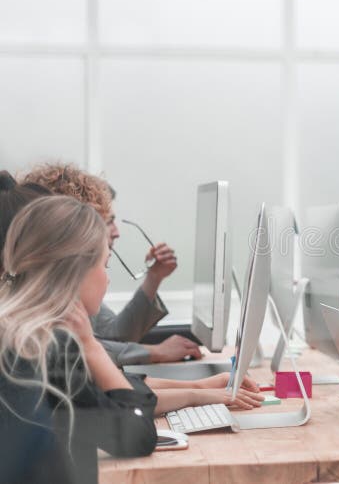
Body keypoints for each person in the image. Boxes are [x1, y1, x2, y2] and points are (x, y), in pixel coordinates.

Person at [0, 176, 265, 416]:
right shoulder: (37, 339)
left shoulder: (50, 308)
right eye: (107, 222)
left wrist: (196, 387)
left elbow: (109, 338)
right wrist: (158, 357)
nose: (114, 231)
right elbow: (106, 366)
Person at [0, 195, 158, 484]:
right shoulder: (49, 347)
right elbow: (137, 435)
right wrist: (91, 347)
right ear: (77, 271)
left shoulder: (11, 332)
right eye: (105, 264)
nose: (107, 279)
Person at [22, 163, 200, 365]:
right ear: (76, 223)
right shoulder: (38, 294)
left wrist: (154, 277)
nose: (116, 232)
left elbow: (113, 335)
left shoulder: (71, 281)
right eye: (108, 222)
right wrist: (154, 352)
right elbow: (75, 353)